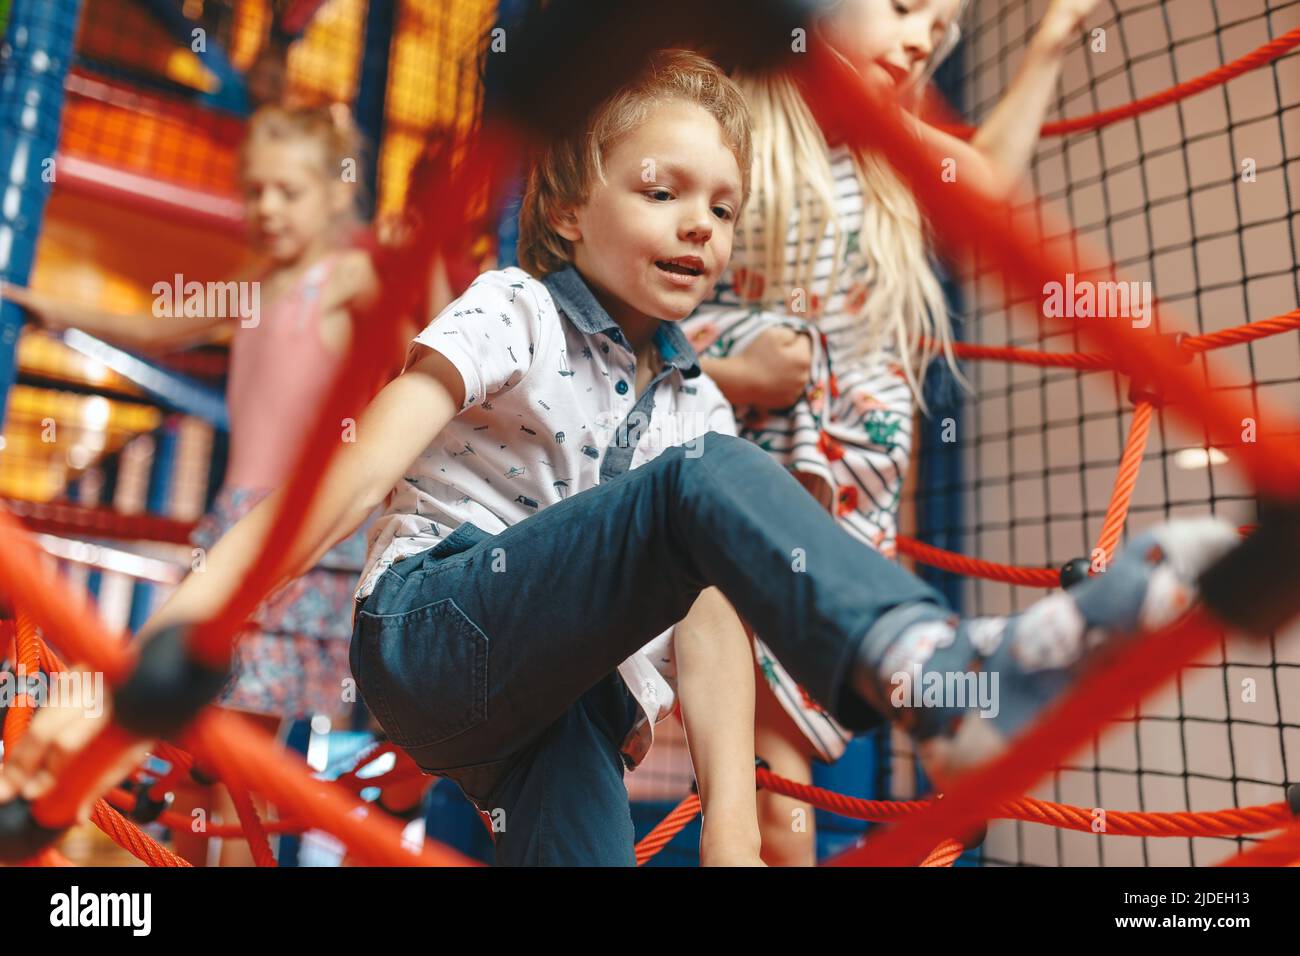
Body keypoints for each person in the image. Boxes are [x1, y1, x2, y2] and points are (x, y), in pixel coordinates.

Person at [0, 49, 1236, 868]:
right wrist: (152, 659)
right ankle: (939, 678)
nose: (699, 223)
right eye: (662, 191)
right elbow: (360, 474)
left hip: (556, 715)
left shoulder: (694, 404)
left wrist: (736, 842)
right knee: (698, 488)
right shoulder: (513, 310)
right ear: (571, 204)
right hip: (434, 623)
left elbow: (706, 624)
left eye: (722, 207)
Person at [683, 0, 1104, 864]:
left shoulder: (885, 152)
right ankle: (950, 692)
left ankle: (955, 694)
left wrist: (1053, 40)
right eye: (905, 7)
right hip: (750, 477)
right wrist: (735, 363)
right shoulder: (735, 126)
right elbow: (633, 311)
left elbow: (985, 182)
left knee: (790, 763)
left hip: (852, 491)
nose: (923, 38)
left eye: (940, 29)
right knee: (767, 785)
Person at [3, 103, 410, 865]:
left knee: (236, 751)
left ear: (333, 194)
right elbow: (165, 326)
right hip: (234, 525)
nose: (265, 207)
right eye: (254, 191)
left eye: (287, 191)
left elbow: (410, 342)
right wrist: (53, 310)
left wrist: (412, 265)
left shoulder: (348, 271)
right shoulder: (257, 280)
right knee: (209, 747)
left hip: (299, 537)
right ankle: (178, 835)